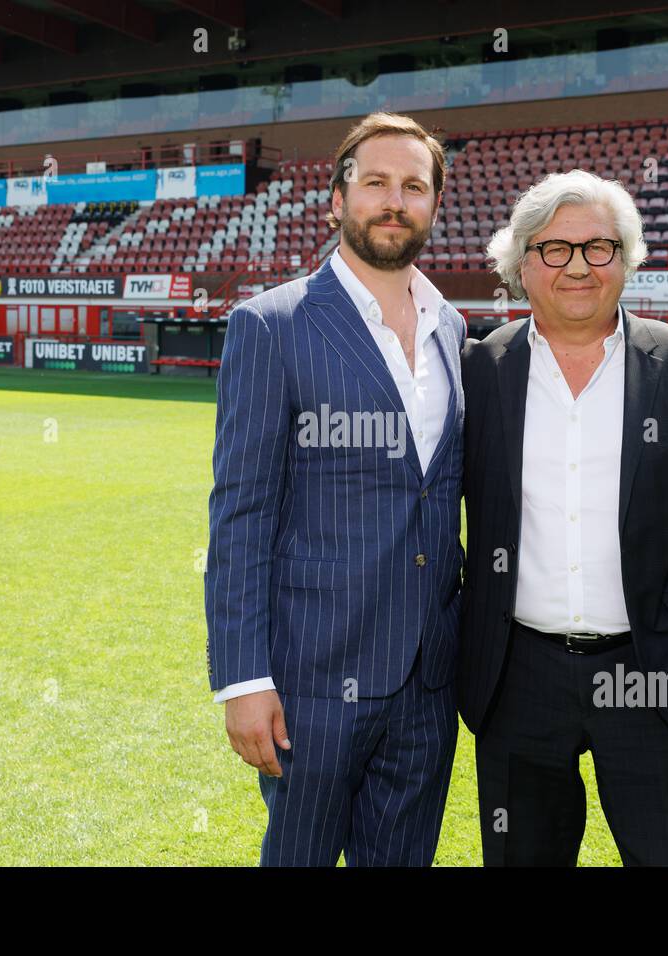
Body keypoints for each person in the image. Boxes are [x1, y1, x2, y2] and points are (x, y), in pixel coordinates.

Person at [459, 169, 668, 866]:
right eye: (554, 249)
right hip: (516, 677)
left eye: (599, 247)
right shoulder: (479, 367)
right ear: (521, 265)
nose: (579, 266)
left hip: (654, 668)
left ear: (625, 259)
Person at [205, 112, 466, 866]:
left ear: (433, 205)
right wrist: (243, 680)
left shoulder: (453, 328)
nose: (394, 200)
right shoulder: (271, 324)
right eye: (375, 182)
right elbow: (242, 512)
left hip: (425, 684)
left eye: (413, 186)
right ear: (337, 198)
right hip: (311, 684)